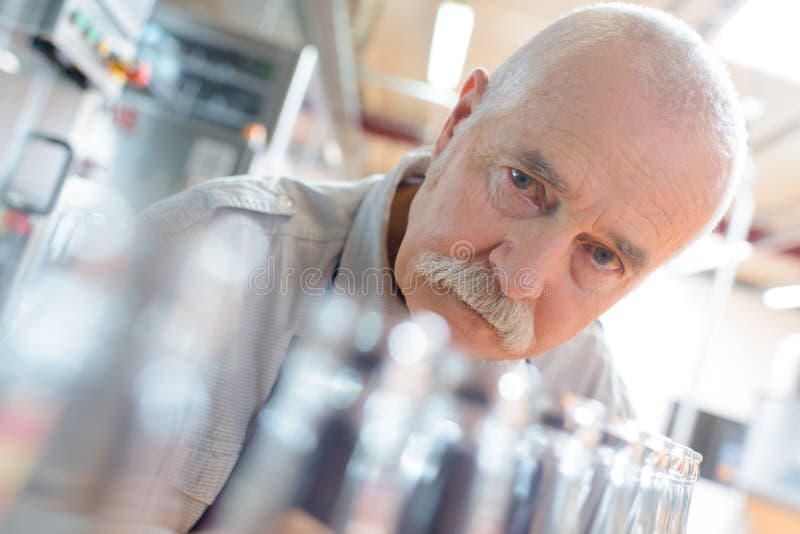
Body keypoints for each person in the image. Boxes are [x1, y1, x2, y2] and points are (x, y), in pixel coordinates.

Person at [129, 2, 746, 531]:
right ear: (456, 126)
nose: (520, 276)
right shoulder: (210, 258)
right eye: (525, 184)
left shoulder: (590, 412)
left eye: (603, 255)